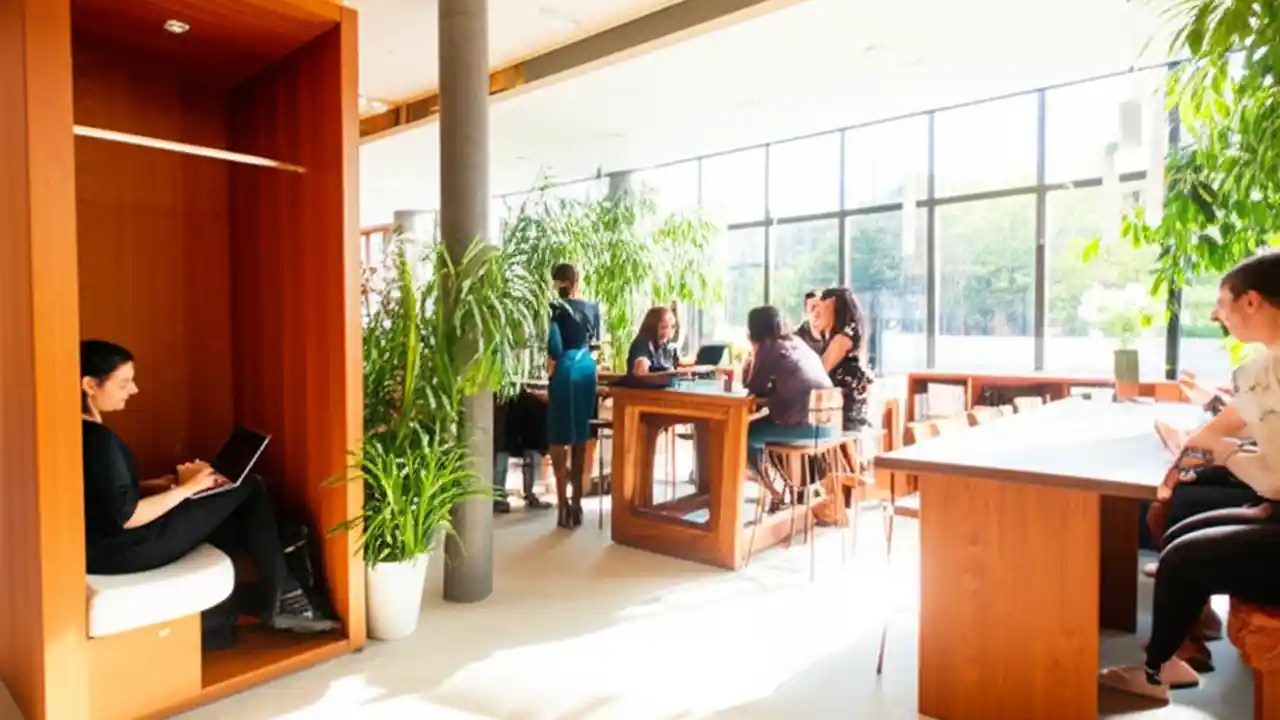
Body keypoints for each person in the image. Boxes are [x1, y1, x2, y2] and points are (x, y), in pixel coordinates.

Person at [1101, 251, 1280, 701]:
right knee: (1180, 527)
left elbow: (1261, 463)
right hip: (1275, 503)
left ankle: (1158, 670)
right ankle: (1173, 656)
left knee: (1182, 557)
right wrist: (1188, 458)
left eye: (1223, 302)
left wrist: (1225, 455)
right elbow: (1221, 428)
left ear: (1252, 302)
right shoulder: (1266, 367)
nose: (1217, 314)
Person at [79, 340, 336, 633]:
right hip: (125, 549)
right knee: (250, 486)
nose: (134, 390)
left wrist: (165, 484)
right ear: (89, 385)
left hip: (105, 549)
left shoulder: (79, 432)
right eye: (124, 382)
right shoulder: (99, 440)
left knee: (231, 512)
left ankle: (273, 594)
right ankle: (283, 598)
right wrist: (186, 490)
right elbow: (128, 516)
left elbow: (102, 494)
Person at [742, 306, 836, 505]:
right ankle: (785, 488)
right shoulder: (797, 342)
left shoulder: (768, 347)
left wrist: (754, 354)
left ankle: (774, 491)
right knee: (760, 426)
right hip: (828, 426)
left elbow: (754, 388)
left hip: (802, 429)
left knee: (741, 433)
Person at [546, 263, 602, 529]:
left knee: (559, 436)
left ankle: (562, 506)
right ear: (577, 280)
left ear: (556, 282)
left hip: (565, 368)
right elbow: (596, 346)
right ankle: (577, 503)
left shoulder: (553, 309)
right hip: (586, 370)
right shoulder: (593, 309)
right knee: (582, 435)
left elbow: (554, 348)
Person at [810, 287, 875, 431]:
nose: (814, 315)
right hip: (845, 413)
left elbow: (821, 370)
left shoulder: (842, 338)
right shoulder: (846, 335)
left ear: (831, 303)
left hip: (846, 417)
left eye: (818, 308)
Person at [627, 306, 679, 381]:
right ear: (652, 326)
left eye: (672, 327)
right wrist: (642, 362)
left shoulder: (664, 346)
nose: (668, 332)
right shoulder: (642, 343)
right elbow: (640, 368)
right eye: (663, 327)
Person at [795, 290, 824, 354]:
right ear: (806, 312)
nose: (817, 311)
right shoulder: (797, 338)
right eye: (813, 307)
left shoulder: (835, 336)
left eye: (820, 307)